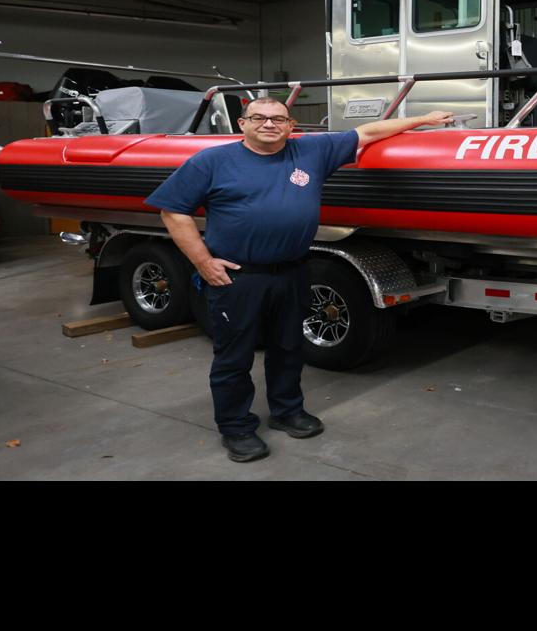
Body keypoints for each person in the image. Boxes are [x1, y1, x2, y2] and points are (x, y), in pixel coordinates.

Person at [145, 97, 453, 462]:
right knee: (234, 356)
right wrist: (203, 262)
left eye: (279, 119)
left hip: (293, 271)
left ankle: (287, 410)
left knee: (289, 347)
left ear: (291, 126)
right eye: (259, 117)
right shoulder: (212, 161)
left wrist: (424, 118)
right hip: (239, 278)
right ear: (243, 124)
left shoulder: (311, 151)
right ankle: (236, 427)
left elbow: (367, 132)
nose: (269, 124)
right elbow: (173, 211)